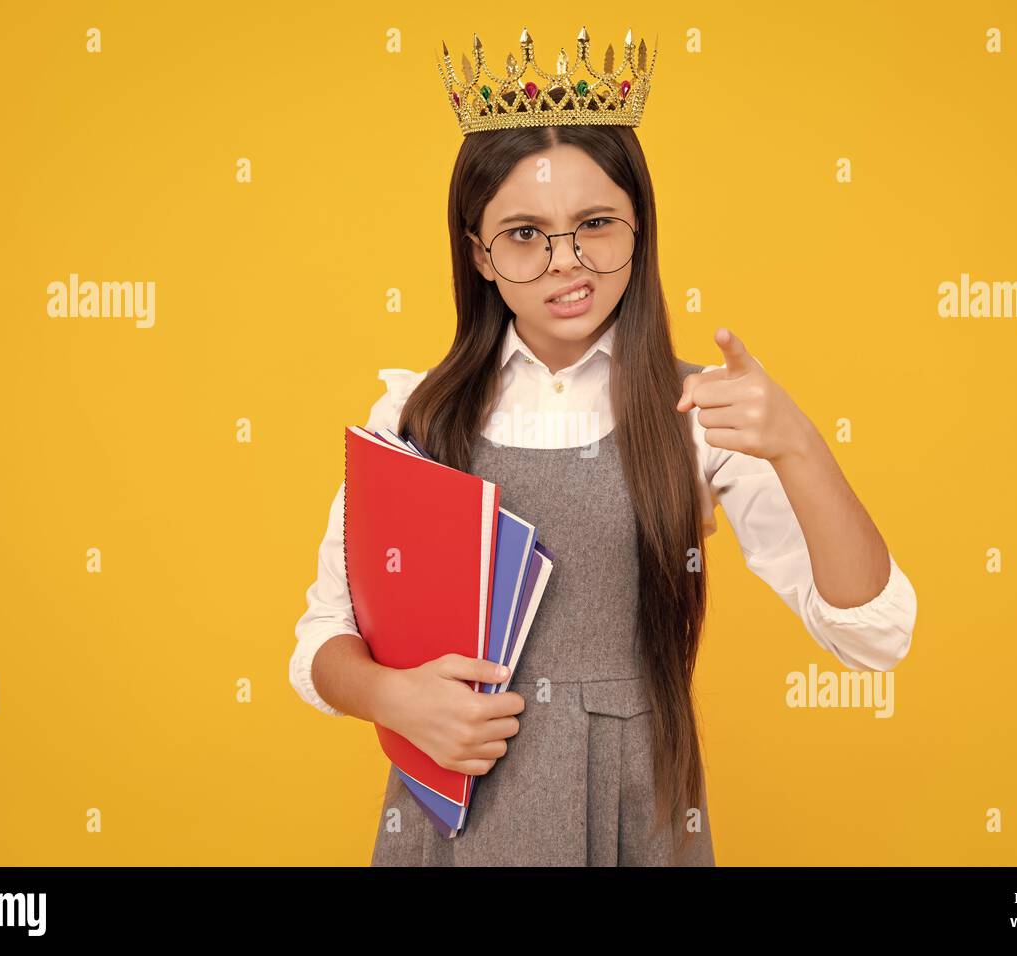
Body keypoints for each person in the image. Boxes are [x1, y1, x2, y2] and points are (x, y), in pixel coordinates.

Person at [290, 26, 918, 865]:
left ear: (639, 228)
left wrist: (800, 447)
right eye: (523, 234)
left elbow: (873, 636)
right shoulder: (414, 413)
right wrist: (394, 698)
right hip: (453, 823)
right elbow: (322, 641)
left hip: (636, 817)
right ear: (477, 253)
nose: (566, 263)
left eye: (595, 224)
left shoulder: (698, 410)